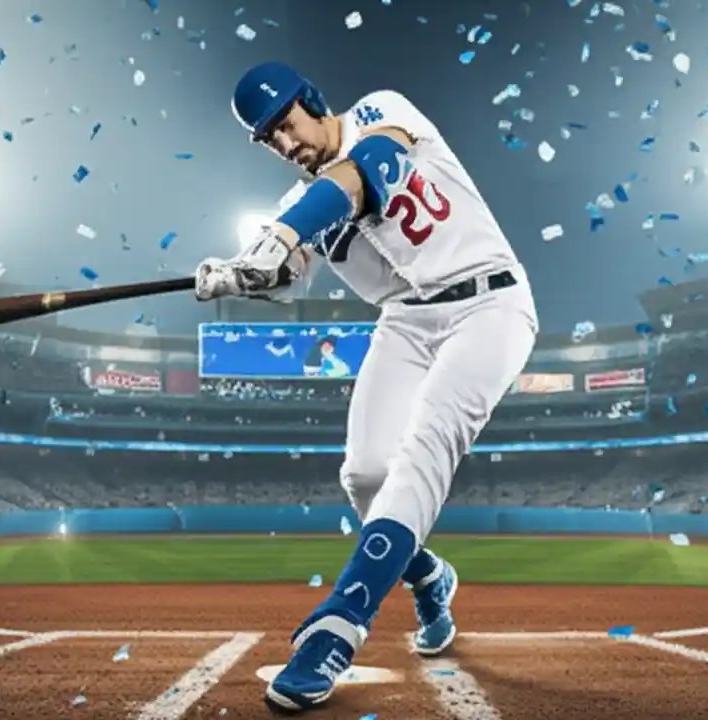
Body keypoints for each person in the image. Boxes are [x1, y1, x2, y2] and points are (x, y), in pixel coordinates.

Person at [194, 61, 538, 712]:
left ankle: (337, 626)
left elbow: (368, 171)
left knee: (426, 446)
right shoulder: (297, 203)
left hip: (489, 302)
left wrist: (282, 234)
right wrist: (242, 275)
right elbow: (287, 271)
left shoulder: (379, 111)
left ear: (313, 100)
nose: (285, 143)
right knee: (365, 476)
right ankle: (430, 578)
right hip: (407, 319)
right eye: (269, 138)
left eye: (287, 124)